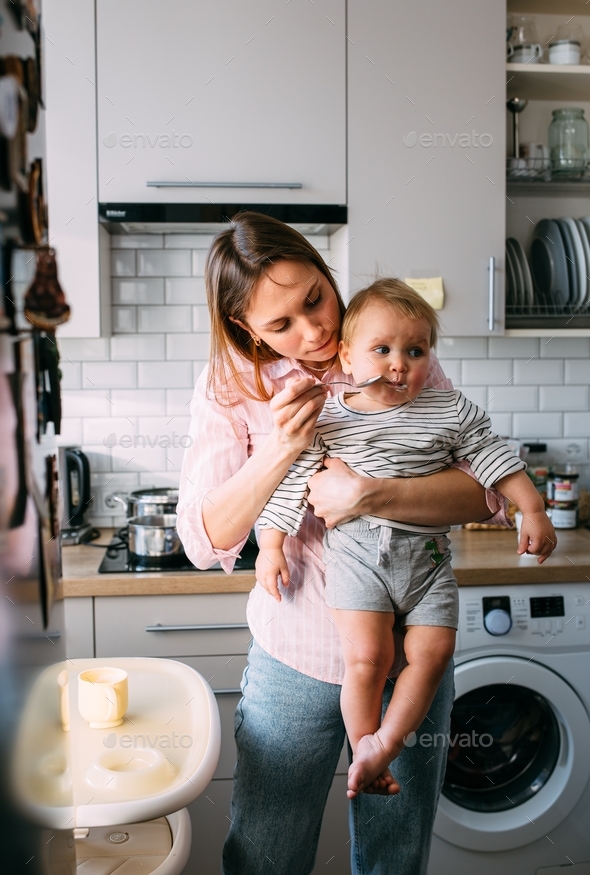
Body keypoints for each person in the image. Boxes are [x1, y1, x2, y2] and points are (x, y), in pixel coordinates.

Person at [176, 211, 516, 875]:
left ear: (326, 273)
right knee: (267, 854)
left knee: (394, 856)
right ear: (248, 329)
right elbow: (204, 537)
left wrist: (370, 495)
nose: (315, 330)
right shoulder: (230, 389)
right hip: (293, 661)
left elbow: (485, 491)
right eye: (282, 325)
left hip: (405, 661)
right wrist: (282, 446)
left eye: (315, 299)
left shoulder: (387, 347)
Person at [255, 278, 557, 802]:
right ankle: (363, 744)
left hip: (429, 562)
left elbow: (495, 459)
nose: (400, 363)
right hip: (357, 561)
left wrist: (532, 508)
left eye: (415, 351)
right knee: (367, 658)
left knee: (434, 654)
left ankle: (383, 746)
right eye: (383, 349)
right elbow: (290, 486)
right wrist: (271, 544)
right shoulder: (329, 421)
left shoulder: (449, 409)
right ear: (347, 357)